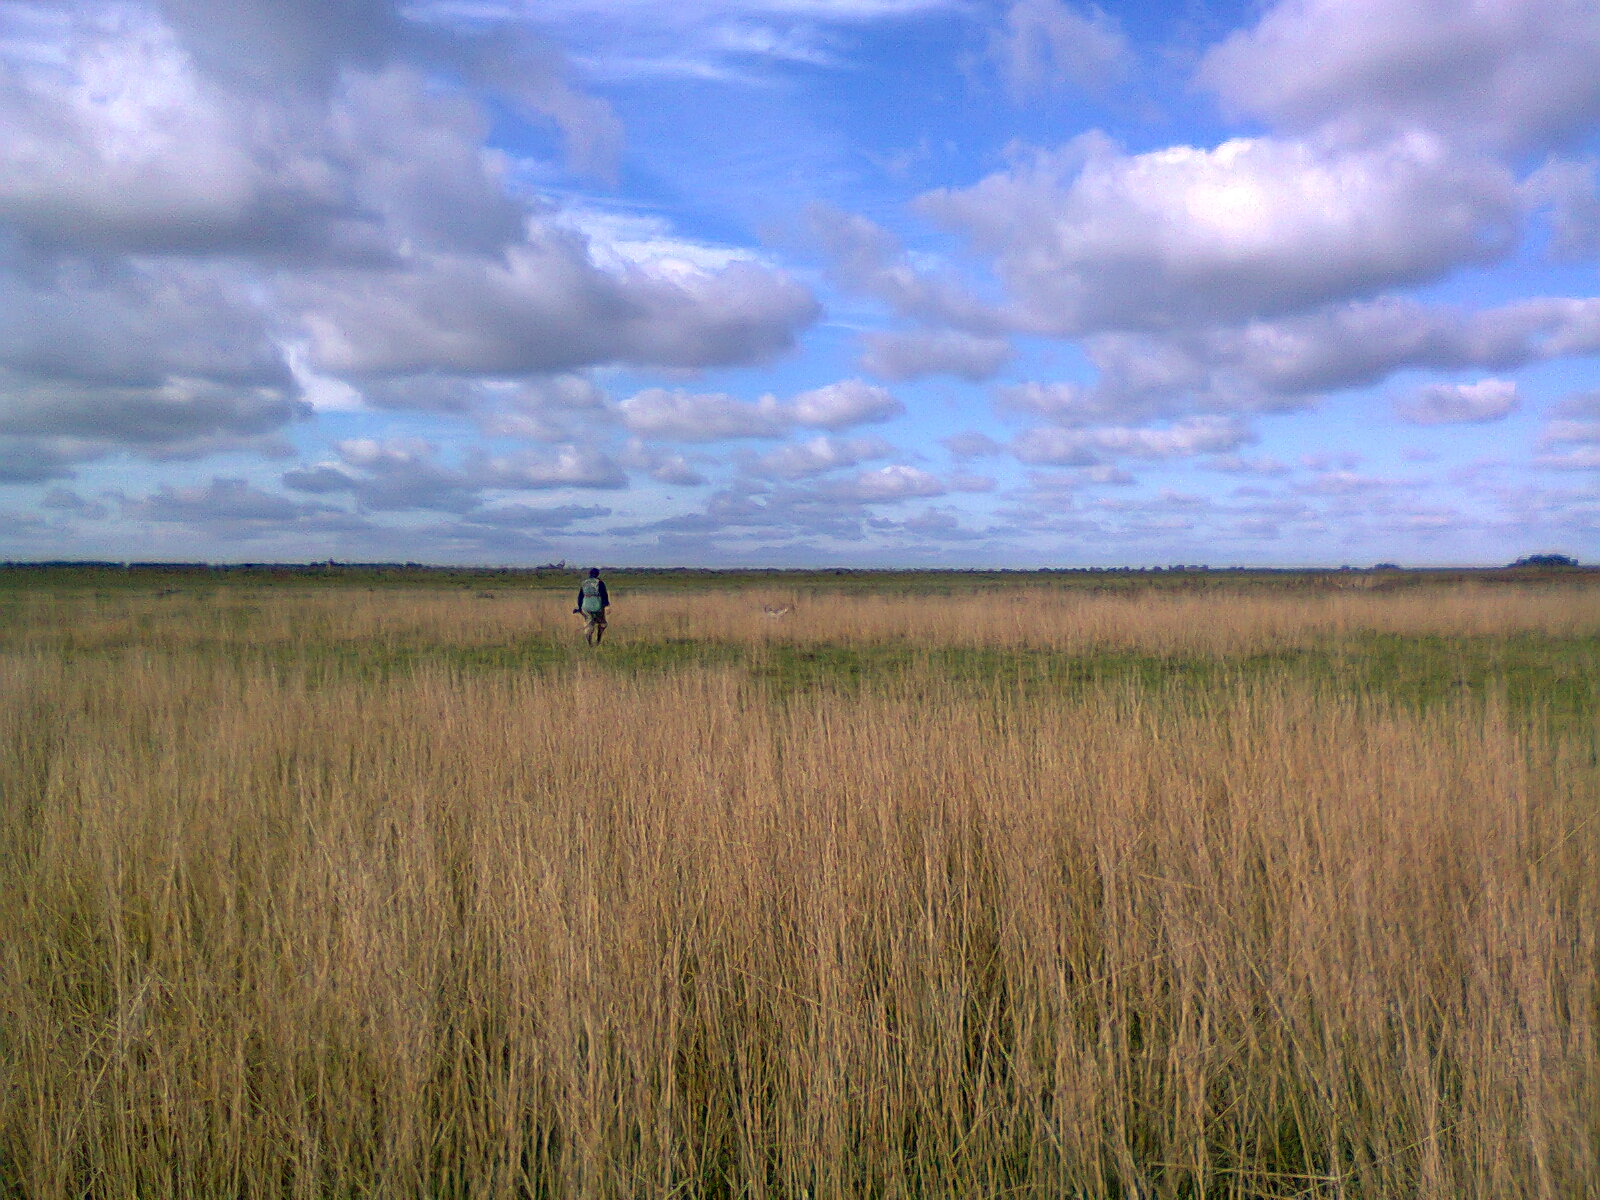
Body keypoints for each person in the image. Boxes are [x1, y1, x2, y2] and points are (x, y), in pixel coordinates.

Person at [574, 567, 610, 645]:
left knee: (588, 624)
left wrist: (579, 608)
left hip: (586, 606)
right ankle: (598, 640)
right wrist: (606, 606)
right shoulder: (599, 582)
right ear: (597, 574)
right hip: (597, 606)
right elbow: (604, 595)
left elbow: (580, 596)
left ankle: (589, 643)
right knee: (602, 623)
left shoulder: (584, 583)